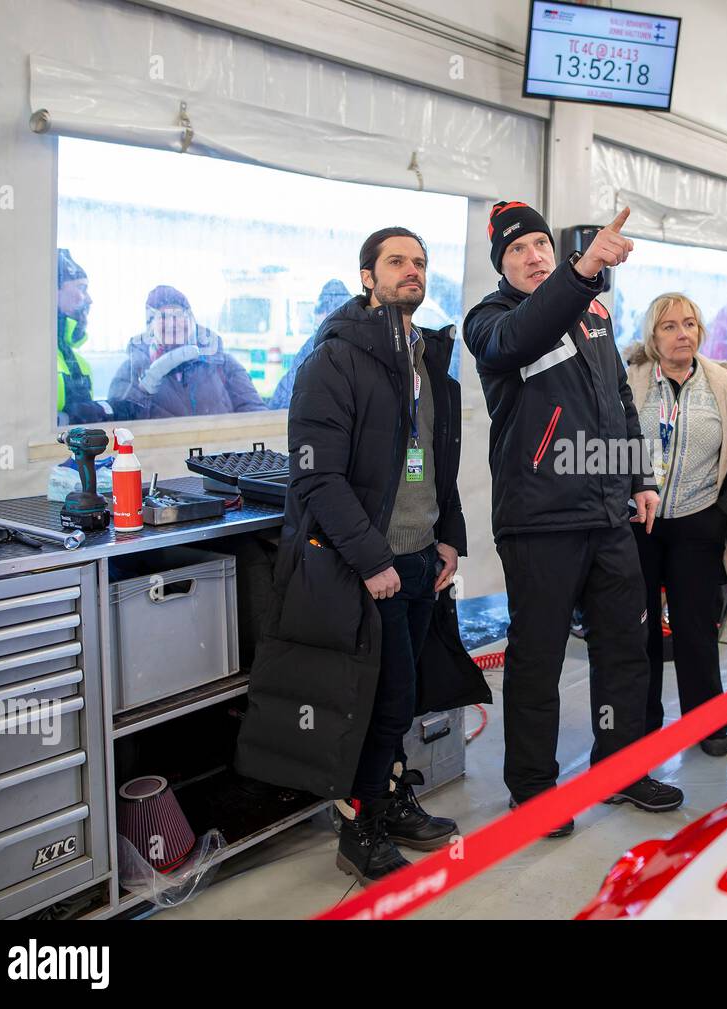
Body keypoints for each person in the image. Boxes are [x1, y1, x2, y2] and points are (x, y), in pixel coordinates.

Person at [235, 227, 473, 885]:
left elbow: (439, 461)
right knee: (376, 702)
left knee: (408, 693)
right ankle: (358, 829)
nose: (411, 271)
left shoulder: (429, 357)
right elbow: (316, 477)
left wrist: (450, 533)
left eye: (421, 263)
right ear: (367, 275)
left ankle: (389, 797)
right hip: (368, 568)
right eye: (397, 261)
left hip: (423, 558)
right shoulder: (334, 360)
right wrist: (373, 560)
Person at [464, 201, 683, 834]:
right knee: (538, 659)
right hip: (538, 521)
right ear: (501, 265)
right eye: (518, 250)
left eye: (540, 244)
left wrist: (638, 478)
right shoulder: (491, 320)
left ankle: (619, 767)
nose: (534, 256)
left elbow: (618, 399)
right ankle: (533, 789)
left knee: (625, 648)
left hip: (607, 514)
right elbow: (525, 335)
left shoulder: (592, 316)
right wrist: (584, 269)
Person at [624, 293, 727, 757]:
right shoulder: (629, 380)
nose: (682, 334)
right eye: (669, 326)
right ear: (652, 336)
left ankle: (708, 724)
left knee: (697, 630)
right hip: (637, 525)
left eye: (689, 324)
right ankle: (642, 724)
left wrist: (721, 516)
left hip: (699, 523)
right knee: (638, 631)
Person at [108, 286, 267, 418]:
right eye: (162, 316)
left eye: (179, 315)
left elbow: (255, 415)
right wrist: (144, 389)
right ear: (150, 326)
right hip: (162, 455)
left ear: (192, 320)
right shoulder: (131, 371)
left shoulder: (223, 364)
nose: (172, 323)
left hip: (221, 455)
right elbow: (120, 424)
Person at [55, 249, 130, 423]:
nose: (89, 299)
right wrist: (68, 419)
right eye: (81, 288)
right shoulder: (32, 354)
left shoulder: (78, 363)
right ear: (53, 291)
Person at [268, 279, 351, 409]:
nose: (315, 317)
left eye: (317, 310)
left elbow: (286, 394)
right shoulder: (367, 340)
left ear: (324, 312)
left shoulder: (316, 343)